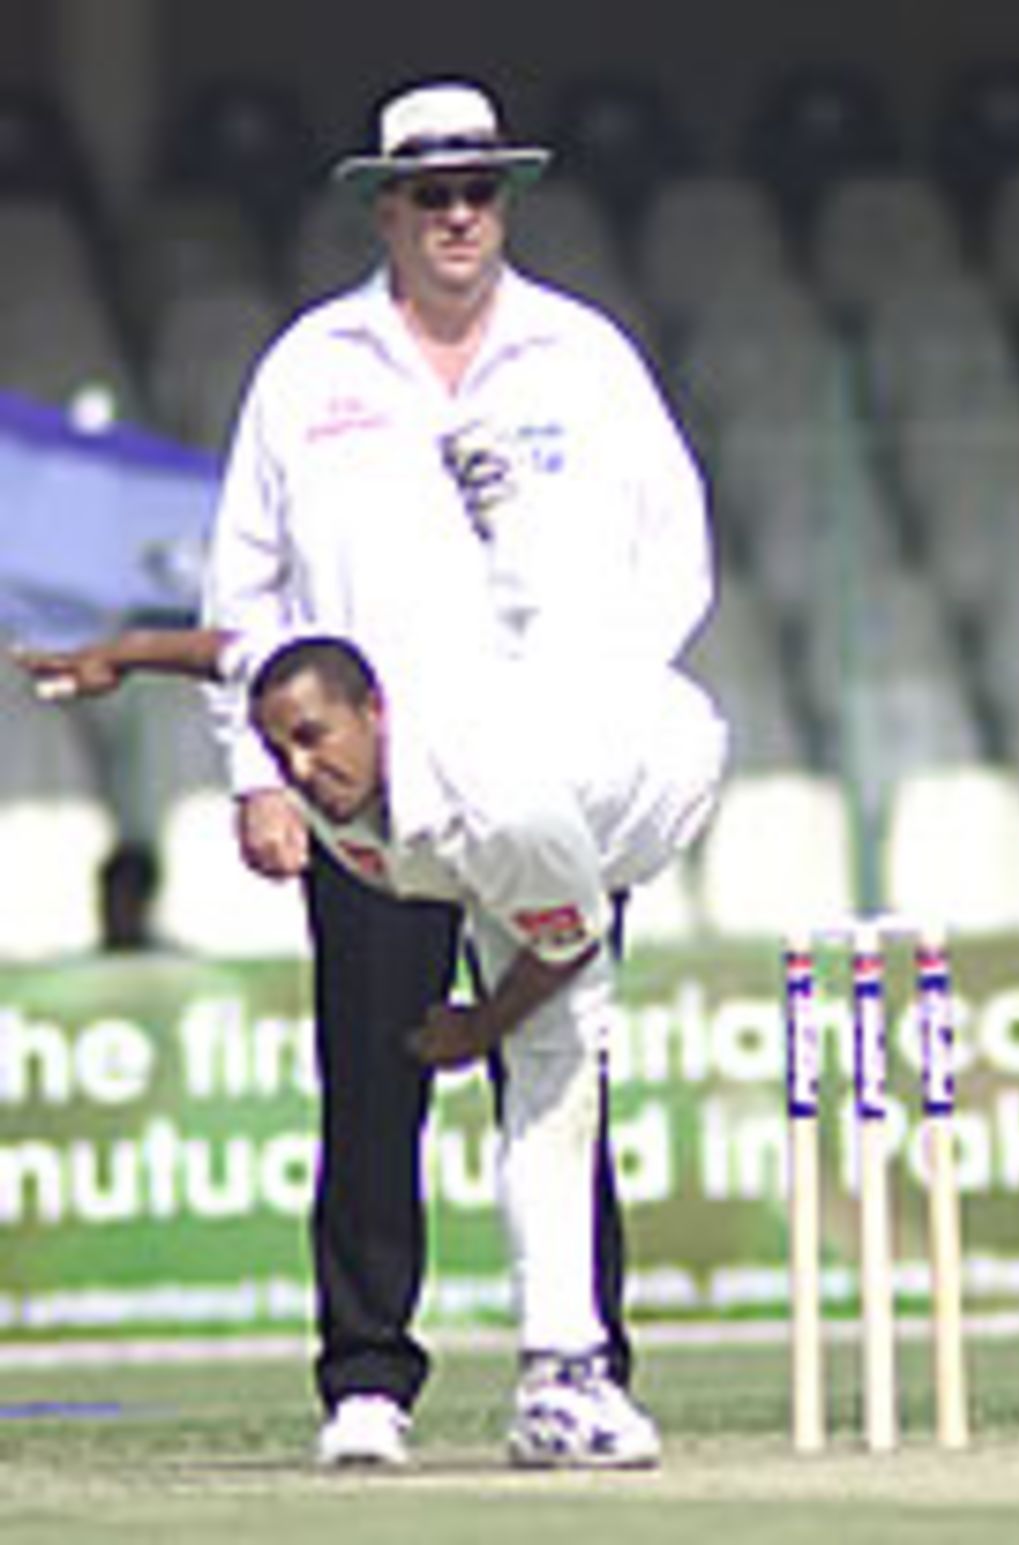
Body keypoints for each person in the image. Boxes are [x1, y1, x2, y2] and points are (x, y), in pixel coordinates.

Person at [197, 77, 714, 1466]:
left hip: (541, 787)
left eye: (480, 189)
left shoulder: (584, 358)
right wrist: (257, 768)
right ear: (386, 206)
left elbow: (677, 553)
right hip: (373, 797)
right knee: (373, 1083)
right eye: (432, 193)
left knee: (560, 1064)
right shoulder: (312, 369)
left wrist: (601, 723)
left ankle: (579, 1367)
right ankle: (368, 1380)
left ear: (507, 201)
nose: (460, 215)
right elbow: (244, 587)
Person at [15, 626, 728, 1468]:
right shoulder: (313, 712)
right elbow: (237, 653)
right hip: (528, 782)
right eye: (281, 752)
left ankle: (567, 1378)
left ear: (375, 711)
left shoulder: (501, 805)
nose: (303, 769)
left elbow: (571, 938)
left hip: (650, 781)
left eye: (315, 739)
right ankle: (546, 1379)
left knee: (551, 1070)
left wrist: (478, 1025)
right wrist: (126, 655)